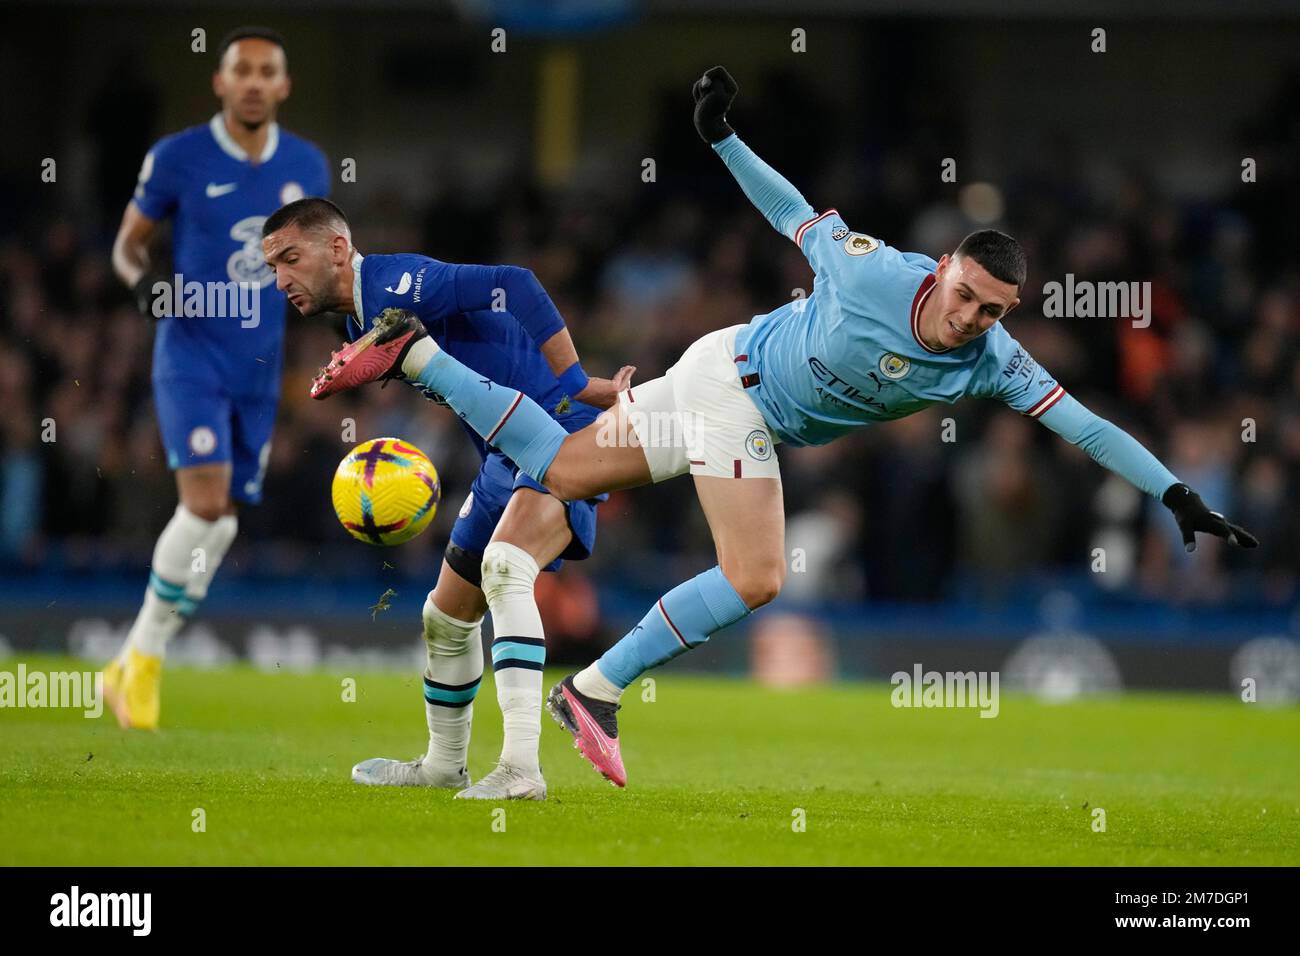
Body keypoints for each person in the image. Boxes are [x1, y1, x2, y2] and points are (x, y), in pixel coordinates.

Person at [308, 67, 1257, 789]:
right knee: (759, 573)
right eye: (966, 295)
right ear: (943, 270)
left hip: (716, 383)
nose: (972, 319)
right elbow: (791, 211)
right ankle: (594, 688)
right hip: (737, 387)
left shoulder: (994, 361)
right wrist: (721, 137)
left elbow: (1088, 426)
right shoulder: (876, 270)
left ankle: (421, 360)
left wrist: (1173, 491)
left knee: (553, 469)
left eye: (992, 311)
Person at [260, 197, 633, 800]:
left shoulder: (396, 284)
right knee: (447, 617)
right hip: (500, 459)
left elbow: (515, 283)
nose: (281, 280)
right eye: (273, 266)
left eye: (290, 258)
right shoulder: (359, 321)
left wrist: (575, 381)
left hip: (560, 441)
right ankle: (443, 764)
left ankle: (520, 770)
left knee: (506, 570)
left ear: (335, 248)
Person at [104, 26, 330, 730]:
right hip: (191, 352)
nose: (256, 81)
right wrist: (143, 285)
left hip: (258, 365)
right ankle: (141, 661)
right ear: (221, 83)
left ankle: (134, 660)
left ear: (284, 86)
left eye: (269, 71)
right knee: (203, 506)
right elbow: (126, 248)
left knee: (224, 522)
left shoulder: (308, 166)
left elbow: (317, 269)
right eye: (243, 70)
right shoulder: (178, 157)